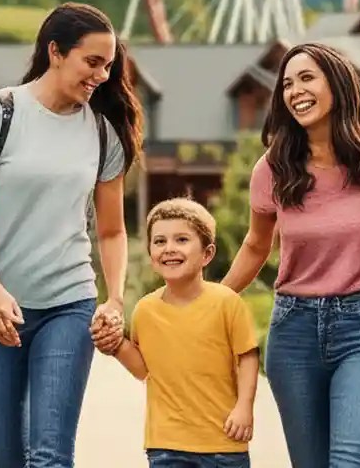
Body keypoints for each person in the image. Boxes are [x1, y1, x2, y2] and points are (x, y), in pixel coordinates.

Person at [0, 2, 143, 467]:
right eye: (92, 62)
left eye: (108, 66)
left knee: (51, 455)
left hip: (68, 304)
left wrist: (114, 300)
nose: (101, 75)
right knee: (3, 458)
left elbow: (113, 231)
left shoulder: (103, 135)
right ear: (55, 51)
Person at [220, 42, 360, 468]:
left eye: (306, 78)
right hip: (294, 330)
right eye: (287, 83)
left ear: (337, 84)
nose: (294, 90)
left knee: (349, 462)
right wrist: (214, 300)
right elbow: (255, 244)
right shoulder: (273, 167)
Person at [98, 197, 259, 468]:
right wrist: (115, 345)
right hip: (166, 445)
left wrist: (244, 408)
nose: (169, 249)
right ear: (150, 253)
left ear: (207, 254)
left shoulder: (227, 302)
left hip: (223, 443)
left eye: (181, 240)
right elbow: (143, 369)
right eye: (160, 241)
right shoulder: (145, 311)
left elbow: (248, 357)